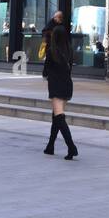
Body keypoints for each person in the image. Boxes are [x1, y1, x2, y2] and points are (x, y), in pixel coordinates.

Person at [42, 22, 78, 159]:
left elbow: (45, 72)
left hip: (56, 85)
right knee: (56, 116)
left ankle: (71, 147)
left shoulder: (52, 51)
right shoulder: (69, 50)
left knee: (59, 117)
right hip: (67, 85)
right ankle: (50, 146)